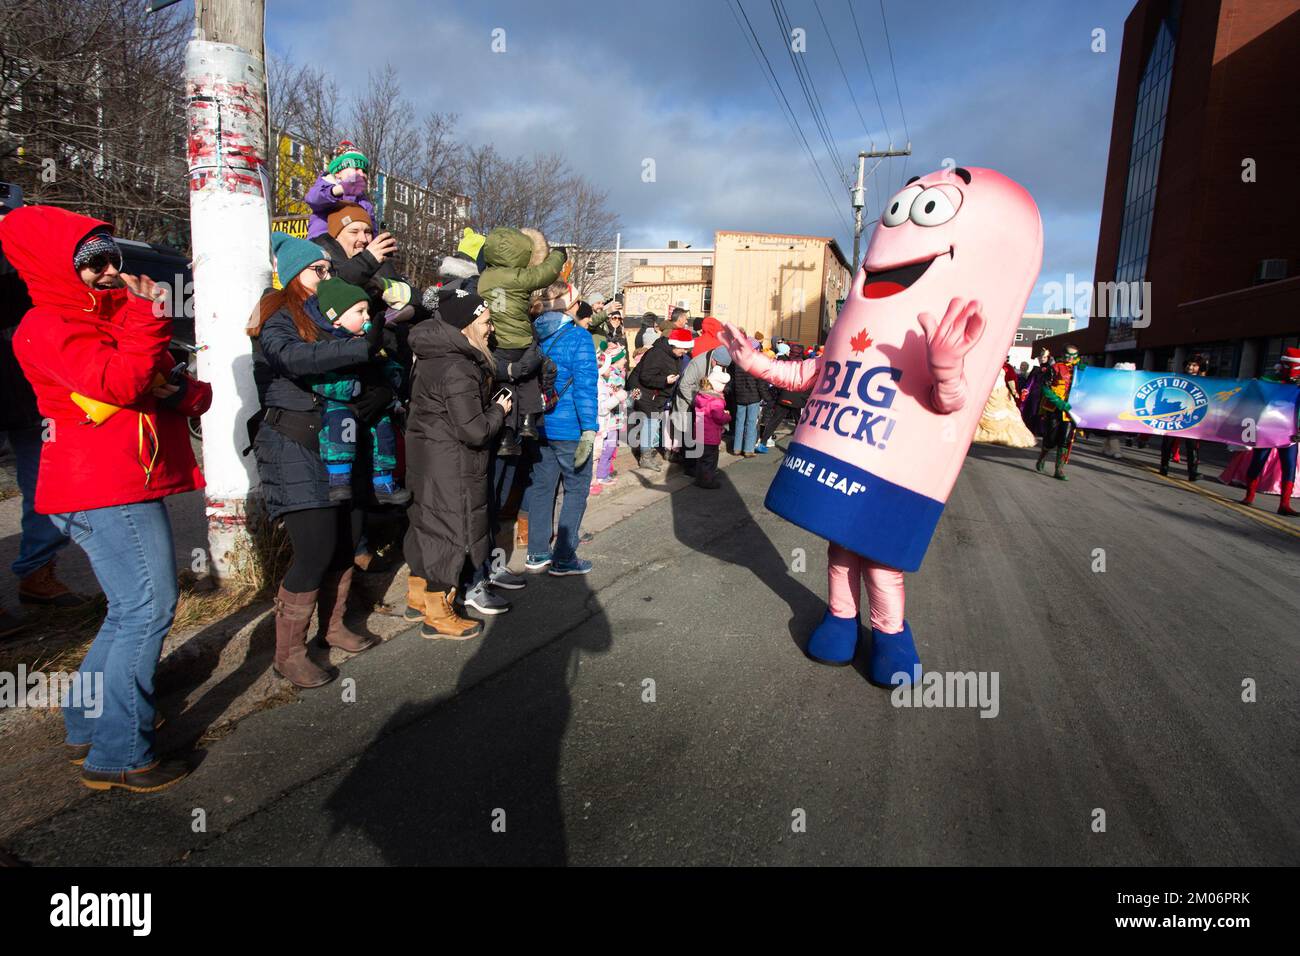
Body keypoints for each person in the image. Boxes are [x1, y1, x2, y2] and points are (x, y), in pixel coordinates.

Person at [2, 205, 213, 792]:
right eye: (87, 262)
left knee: (130, 610)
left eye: (108, 257)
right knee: (147, 608)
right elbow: (119, 383)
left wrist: (172, 383)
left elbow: (177, 387)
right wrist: (148, 326)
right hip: (100, 484)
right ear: (53, 267)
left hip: (126, 478)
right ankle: (119, 752)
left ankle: (89, 723)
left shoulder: (116, 313)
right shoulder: (44, 326)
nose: (104, 271)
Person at [250, 232, 385, 690]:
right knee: (314, 550)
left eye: (329, 268)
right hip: (293, 444)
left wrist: (378, 388)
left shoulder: (331, 317)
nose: (328, 274)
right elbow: (293, 359)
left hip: (339, 445)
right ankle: (289, 653)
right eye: (319, 269)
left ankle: (333, 627)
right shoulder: (276, 317)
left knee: (347, 538)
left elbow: (372, 368)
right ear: (293, 278)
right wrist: (358, 349)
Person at [0, 199, 90, 638]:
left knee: (49, 486)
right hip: (17, 385)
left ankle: (38, 573)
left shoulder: (23, 252)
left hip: (26, 391)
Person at [403, 289, 514, 635]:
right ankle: (437, 614)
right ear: (466, 326)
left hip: (429, 455)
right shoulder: (459, 367)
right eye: (486, 321)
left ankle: (417, 598)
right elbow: (475, 431)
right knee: (450, 532)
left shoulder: (432, 354)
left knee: (426, 525)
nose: (491, 328)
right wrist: (500, 409)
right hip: (451, 462)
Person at [303, 277, 410, 505]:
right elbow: (322, 381)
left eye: (367, 311)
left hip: (372, 406)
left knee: (384, 434)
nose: (367, 317)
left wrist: (389, 382)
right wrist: (355, 387)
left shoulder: (373, 342)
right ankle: (339, 478)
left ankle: (384, 482)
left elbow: (390, 367)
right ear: (337, 319)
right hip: (342, 405)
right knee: (341, 427)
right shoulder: (330, 347)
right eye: (359, 311)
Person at [524, 281, 598, 574]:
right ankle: (564, 557)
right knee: (576, 489)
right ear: (571, 306)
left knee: (543, 489)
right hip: (570, 427)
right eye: (578, 301)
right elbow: (585, 387)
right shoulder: (579, 338)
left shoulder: (533, 334)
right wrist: (589, 429)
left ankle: (537, 552)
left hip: (541, 424)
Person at [476, 226, 565, 454]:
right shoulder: (518, 276)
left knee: (505, 387)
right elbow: (544, 274)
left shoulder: (484, 278)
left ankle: (506, 436)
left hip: (496, 342)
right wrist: (558, 255)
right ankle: (527, 422)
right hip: (521, 341)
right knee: (527, 381)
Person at [1242, 347, 1300, 515]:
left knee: (1288, 467)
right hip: (1267, 429)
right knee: (1257, 462)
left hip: (1291, 432)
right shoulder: (1269, 379)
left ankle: (1284, 504)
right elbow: (1255, 398)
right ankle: (1249, 495)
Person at [628, 327, 690, 471]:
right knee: (651, 422)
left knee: (653, 422)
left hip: (655, 392)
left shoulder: (675, 355)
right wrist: (665, 380)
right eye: (684, 348)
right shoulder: (657, 353)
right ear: (675, 343)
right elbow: (645, 377)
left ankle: (646, 453)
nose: (685, 352)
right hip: (641, 390)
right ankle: (645, 457)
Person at [303, 141, 377, 240]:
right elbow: (313, 198)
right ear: (338, 173)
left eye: (364, 171)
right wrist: (339, 190)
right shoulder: (326, 185)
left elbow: (372, 228)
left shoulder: (364, 203)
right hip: (323, 241)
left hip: (351, 246)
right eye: (356, 168)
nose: (361, 173)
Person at [1035, 344, 1080, 480]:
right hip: (1054, 409)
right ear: (1063, 354)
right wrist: (1058, 401)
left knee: (1065, 440)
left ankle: (1059, 470)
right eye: (1068, 355)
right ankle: (1042, 458)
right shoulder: (1054, 368)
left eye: (1073, 355)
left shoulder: (1080, 370)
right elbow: (1044, 387)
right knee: (1051, 439)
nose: (1070, 358)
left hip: (1071, 411)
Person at [1159, 356, 1205, 481]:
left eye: (1194, 365)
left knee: (1192, 446)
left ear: (1199, 367)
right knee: (1168, 442)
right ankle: (1164, 466)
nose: (1190, 367)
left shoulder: (1205, 382)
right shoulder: (1177, 379)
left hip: (1191, 418)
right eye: (1189, 364)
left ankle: (1192, 472)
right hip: (1175, 415)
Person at [594, 346, 628, 489]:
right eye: (623, 357)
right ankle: (601, 475)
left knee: (610, 447)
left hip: (614, 417)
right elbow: (607, 402)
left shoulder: (613, 375)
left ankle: (604, 473)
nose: (626, 360)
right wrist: (620, 396)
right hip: (609, 420)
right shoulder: (609, 378)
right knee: (606, 448)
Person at [693, 366, 731, 489]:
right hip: (710, 434)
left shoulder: (701, 396)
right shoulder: (716, 401)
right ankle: (707, 481)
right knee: (710, 459)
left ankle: (699, 478)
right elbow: (719, 417)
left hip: (699, 431)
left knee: (701, 458)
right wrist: (727, 416)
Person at [728, 329, 764, 457]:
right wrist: (764, 396)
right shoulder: (755, 363)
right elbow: (760, 383)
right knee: (750, 423)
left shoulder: (736, 361)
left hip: (739, 396)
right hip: (753, 396)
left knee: (739, 421)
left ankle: (736, 448)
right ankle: (748, 449)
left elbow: (731, 379)